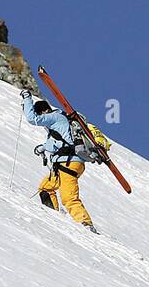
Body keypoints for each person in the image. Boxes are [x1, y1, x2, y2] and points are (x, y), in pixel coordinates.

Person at [21, 90, 96, 232]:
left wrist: (27, 98)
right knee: (46, 188)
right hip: (69, 163)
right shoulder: (62, 120)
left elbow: (32, 118)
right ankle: (53, 215)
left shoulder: (53, 117)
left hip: (68, 163)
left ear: (43, 111)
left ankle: (86, 224)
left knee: (69, 198)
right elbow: (57, 142)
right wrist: (43, 148)